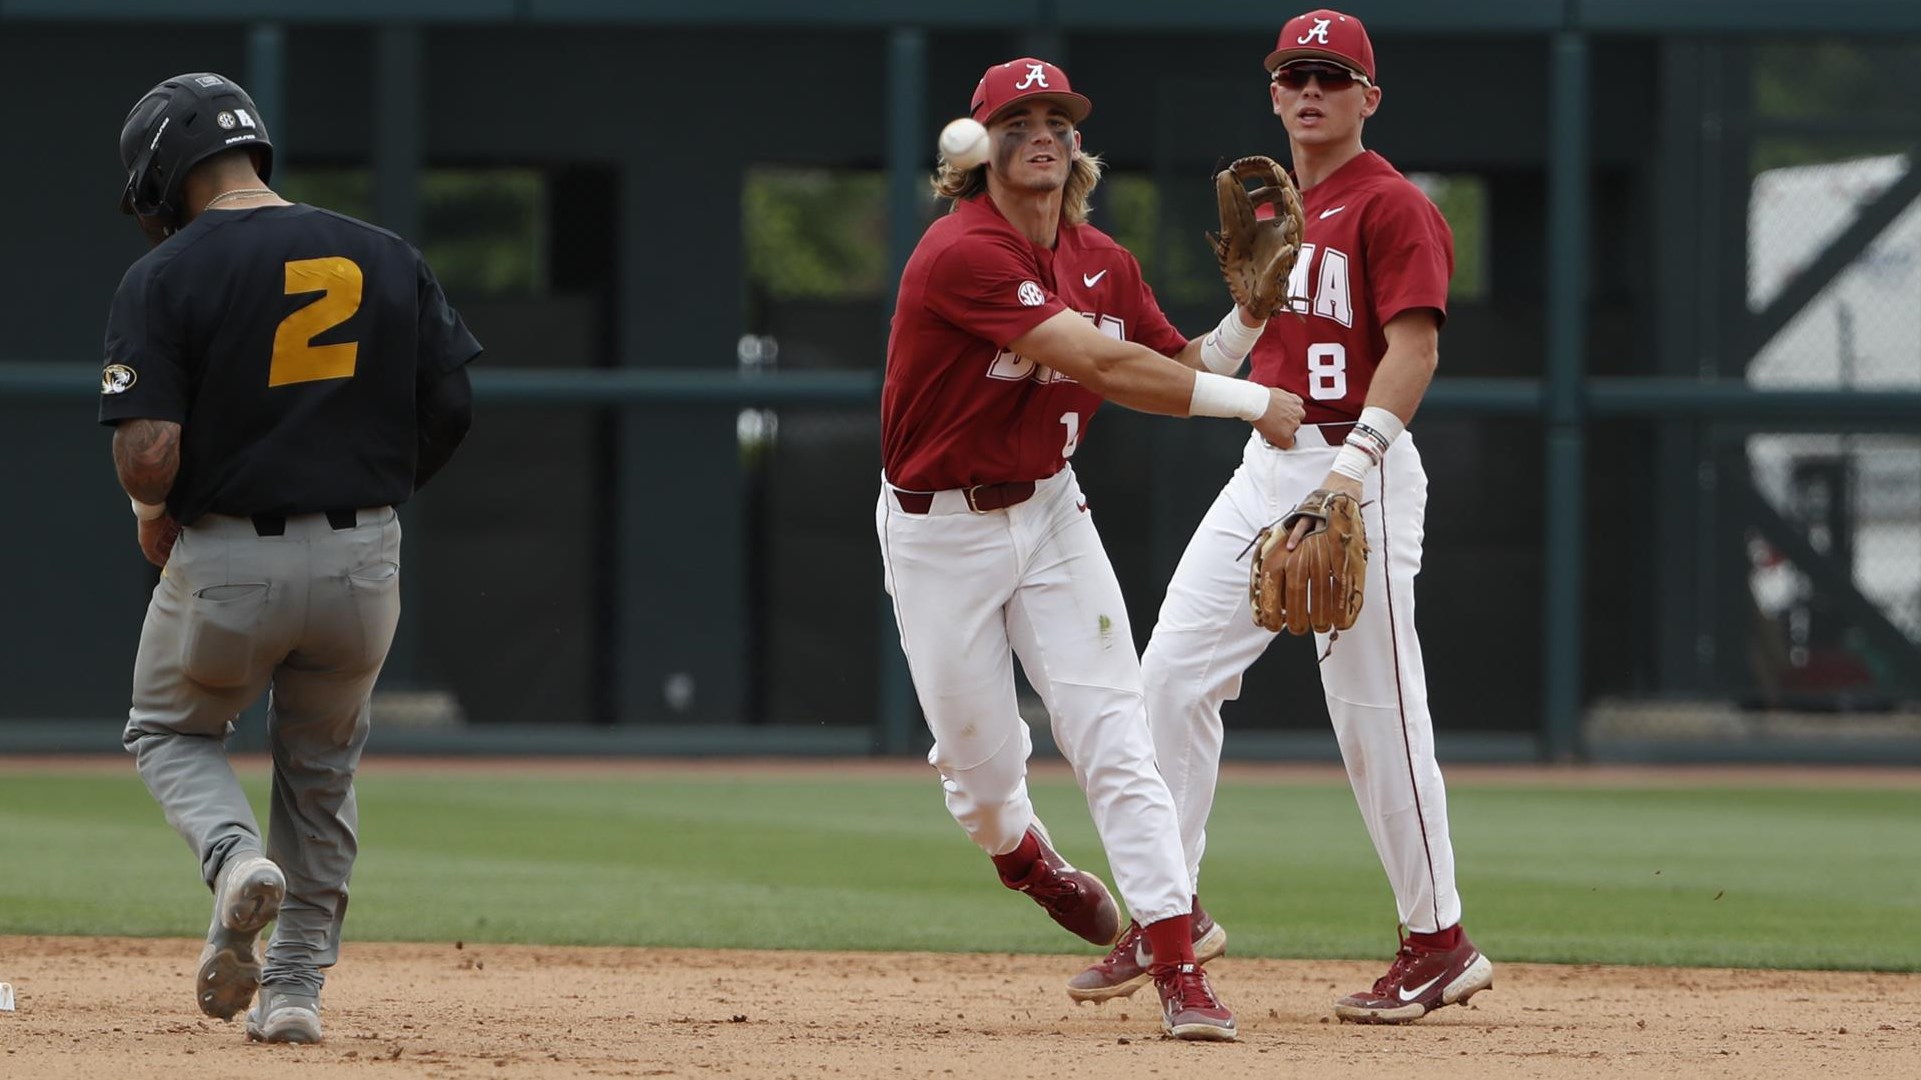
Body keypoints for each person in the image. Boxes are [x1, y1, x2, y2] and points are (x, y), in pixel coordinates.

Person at [1067, 10, 1496, 1023]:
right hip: (1265, 462)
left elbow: (1415, 350)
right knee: (1168, 679)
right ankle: (1169, 910)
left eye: (1332, 76)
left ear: (1367, 97)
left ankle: (1438, 940)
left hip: (1357, 467)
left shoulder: (1392, 205)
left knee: (1375, 712)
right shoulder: (1276, 213)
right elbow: (1222, 359)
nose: (1311, 90)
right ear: (1272, 93)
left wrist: (1349, 473)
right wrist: (1242, 317)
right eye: (1294, 74)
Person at [877, 56, 1305, 1042]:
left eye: (1056, 120)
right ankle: (1023, 858)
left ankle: (1177, 964)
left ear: (1076, 146)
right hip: (939, 531)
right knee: (982, 777)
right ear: (981, 150)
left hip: (1050, 515)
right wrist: (1253, 402)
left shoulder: (1102, 259)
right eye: (1017, 120)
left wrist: (1245, 320)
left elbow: (1172, 363)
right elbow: (1107, 366)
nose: (1041, 133)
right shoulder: (960, 252)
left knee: (1116, 731)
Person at [101, 72, 481, 1044]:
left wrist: (152, 512)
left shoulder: (166, 274)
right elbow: (451, 407)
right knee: (319, 774)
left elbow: (150, 449)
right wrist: (368, 490)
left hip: (231, 556)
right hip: (363, 563)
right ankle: (295, 993)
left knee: (167, 730)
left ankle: (233, 859)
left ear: (162, 173)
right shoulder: (383, 253)